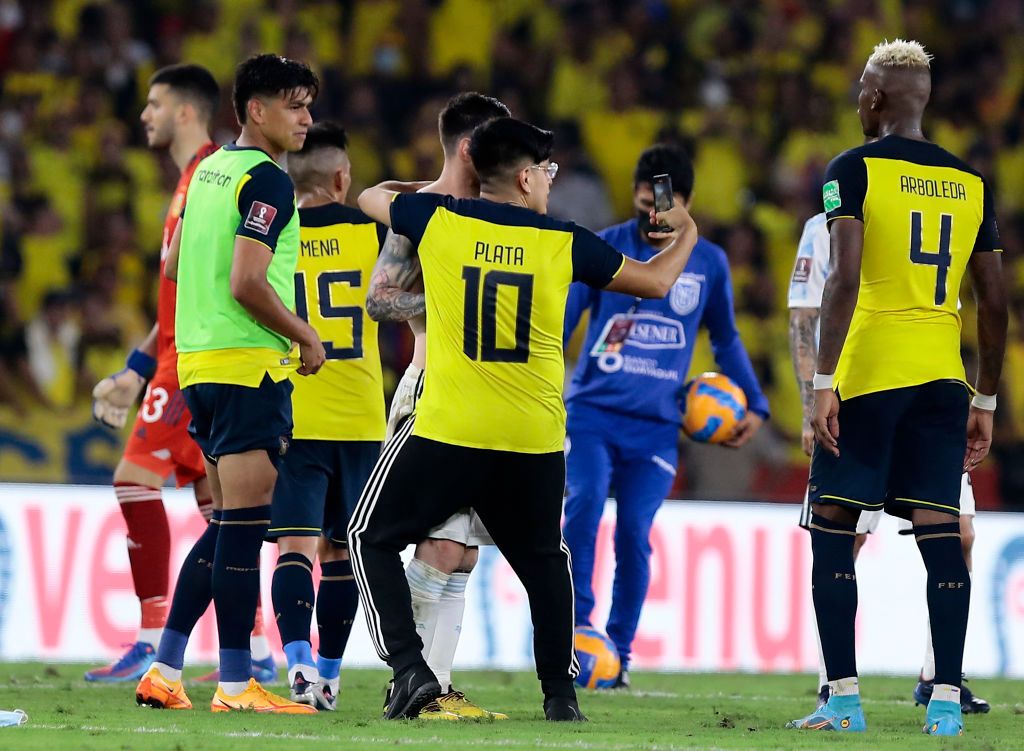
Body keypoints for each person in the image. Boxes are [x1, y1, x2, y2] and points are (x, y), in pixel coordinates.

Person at [351, 117, 699, 722]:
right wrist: (686, 231)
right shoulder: (563, 239)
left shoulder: (437, 220)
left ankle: (411, 669)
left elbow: (369, 197)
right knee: (546, 566)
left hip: (450, 429)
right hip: (531, 439)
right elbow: (659, 280)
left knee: (368, 537)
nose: (551, 180)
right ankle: (560, 699)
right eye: (547, 169)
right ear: (524, 176)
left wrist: (442, 183)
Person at [788, 39, 1006, 736]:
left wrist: (823, 383)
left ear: (876, 98)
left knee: (833, 531)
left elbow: (844, 278)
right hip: (944, 380)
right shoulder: (971, 182)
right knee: (943, 539)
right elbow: (996, 303)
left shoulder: (849, 170)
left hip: (872, 376)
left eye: (860, 88)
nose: (857, 98)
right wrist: (986, 399)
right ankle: (945, 700)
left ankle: (843, 701)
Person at [135, 53, 325, 714]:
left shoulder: (208, 171)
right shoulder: (268, 179)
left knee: (224, 529)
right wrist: (304, 334)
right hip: (248, 366)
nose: (307, 117)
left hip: (202, 366)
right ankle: (237, 682)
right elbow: (248, 281)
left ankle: (164, 666)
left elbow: (182, 264)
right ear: (255, 110)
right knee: (244, 528)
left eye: (308, 105)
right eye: (294, 105)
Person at [562, 143, 769, 688]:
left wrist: (759, 404)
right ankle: (576, 637)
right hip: (591, 415)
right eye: (647, 200)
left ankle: (619, 655)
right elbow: (560, 326)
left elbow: (725, 339)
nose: (656, 215)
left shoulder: (709, 264)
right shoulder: (604, 248)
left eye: (667, 203)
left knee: (633, 532)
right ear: (633, 194)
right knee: (581, 512)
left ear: (689, 202)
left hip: (656, 426)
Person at [788, 210, 990, 713]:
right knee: (843, 536)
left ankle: (938, 677)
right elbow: (804, 317)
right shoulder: (826, 224)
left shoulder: (932, 212)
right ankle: (831, 681)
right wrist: (810, 402)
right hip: (858, 393)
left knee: (960, 532)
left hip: (925, 394)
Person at [86, 64, 242, 683]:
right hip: (178, 360)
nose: (143, 114)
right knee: (221, 509)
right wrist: (135, 369)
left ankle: (153, 638)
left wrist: (156, 371)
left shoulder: (210, 174)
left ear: (184, 111)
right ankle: (252, 643)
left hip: (193, 363)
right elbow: (173, 299)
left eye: (154, 103)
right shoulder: (187, 180)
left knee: (133, 480)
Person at [365, 91, 510, 720]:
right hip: (432, 386)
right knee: (439, 545)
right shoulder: (420, 213)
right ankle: (410, 677)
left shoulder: (498, 212)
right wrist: (445, 309)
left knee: (466, 551)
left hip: (489, 399)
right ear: (471, 146)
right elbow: (378, 298)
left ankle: (434, 686)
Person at [266, 121, 386, 711]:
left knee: (294, 547)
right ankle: (332, 678)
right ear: (342, 178)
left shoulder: (271, 234)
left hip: (292, 412)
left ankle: (297, 667)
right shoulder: (374, 231)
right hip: (361, 419)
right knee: (343, 553)